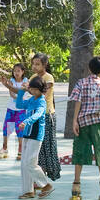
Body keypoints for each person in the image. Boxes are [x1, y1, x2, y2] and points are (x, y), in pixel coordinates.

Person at [68, 55, 100, 200]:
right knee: (99, 151)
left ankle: (76, 186)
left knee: (79, 151)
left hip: (83, 122)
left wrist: (74, 121)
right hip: (97, 122)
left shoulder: (81, 83)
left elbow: (77, 101)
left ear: (89, 68)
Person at [15, 77, 53, 199]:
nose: (33, 91)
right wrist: (21, 91)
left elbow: (38, 114)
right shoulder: (31, 100)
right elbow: (19, 104)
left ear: (41, 90)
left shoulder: (42, 101)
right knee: (24, 164)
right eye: (31, 89)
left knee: (30, 163)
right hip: (27, 134)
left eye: (35, 89)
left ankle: (45, 185)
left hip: (36, 135)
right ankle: (28, 191)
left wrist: (26, 122)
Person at [31, 53, 61, 181]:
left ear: (45, 65)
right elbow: (27, 92)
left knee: (47, 146)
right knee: (38, 148)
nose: (34, 66)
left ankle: (46, 175)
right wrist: (10, 86)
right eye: (33, 64)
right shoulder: (33, 77)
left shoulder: (49, 78)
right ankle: (40, 177)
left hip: (47, 115)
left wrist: (29, 90)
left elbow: (42, 94)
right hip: (36, 115)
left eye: (37, 64)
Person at [0, 63, 28, 160]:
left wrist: (19, 97)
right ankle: (4, 148)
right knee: (6, 128)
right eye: (14, 71)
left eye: (18, 71)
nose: (16, 73)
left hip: (21, 110)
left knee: (20, 129)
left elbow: (22, 92)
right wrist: (18, 97)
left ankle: (21, 149)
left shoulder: (26, 81)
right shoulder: (11, 81)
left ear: (23, 72)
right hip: (11, 109)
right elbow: (12, 94)